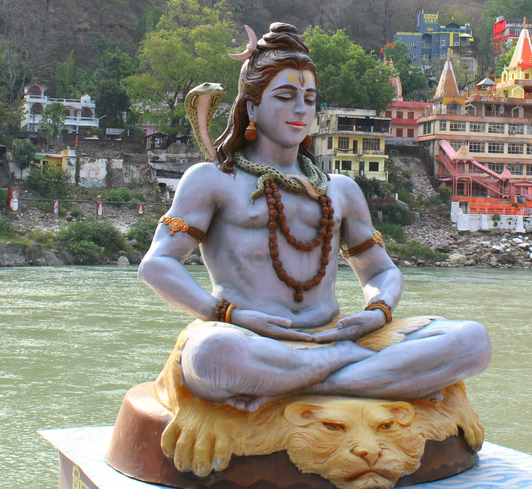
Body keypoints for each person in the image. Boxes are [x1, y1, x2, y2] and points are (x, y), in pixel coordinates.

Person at [138, 23, 491, 412]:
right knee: (209, 355)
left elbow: (380, 271)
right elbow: (157, 264)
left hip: (335, 337)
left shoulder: (339, 189)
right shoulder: (213, 180)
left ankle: (300, 382)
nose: (301, 109)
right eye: (285, 96)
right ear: (252, 106)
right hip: (248, 338)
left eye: (309, 97)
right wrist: (225, 313)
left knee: (472, 340)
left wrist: (378, 311)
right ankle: (369, 376)